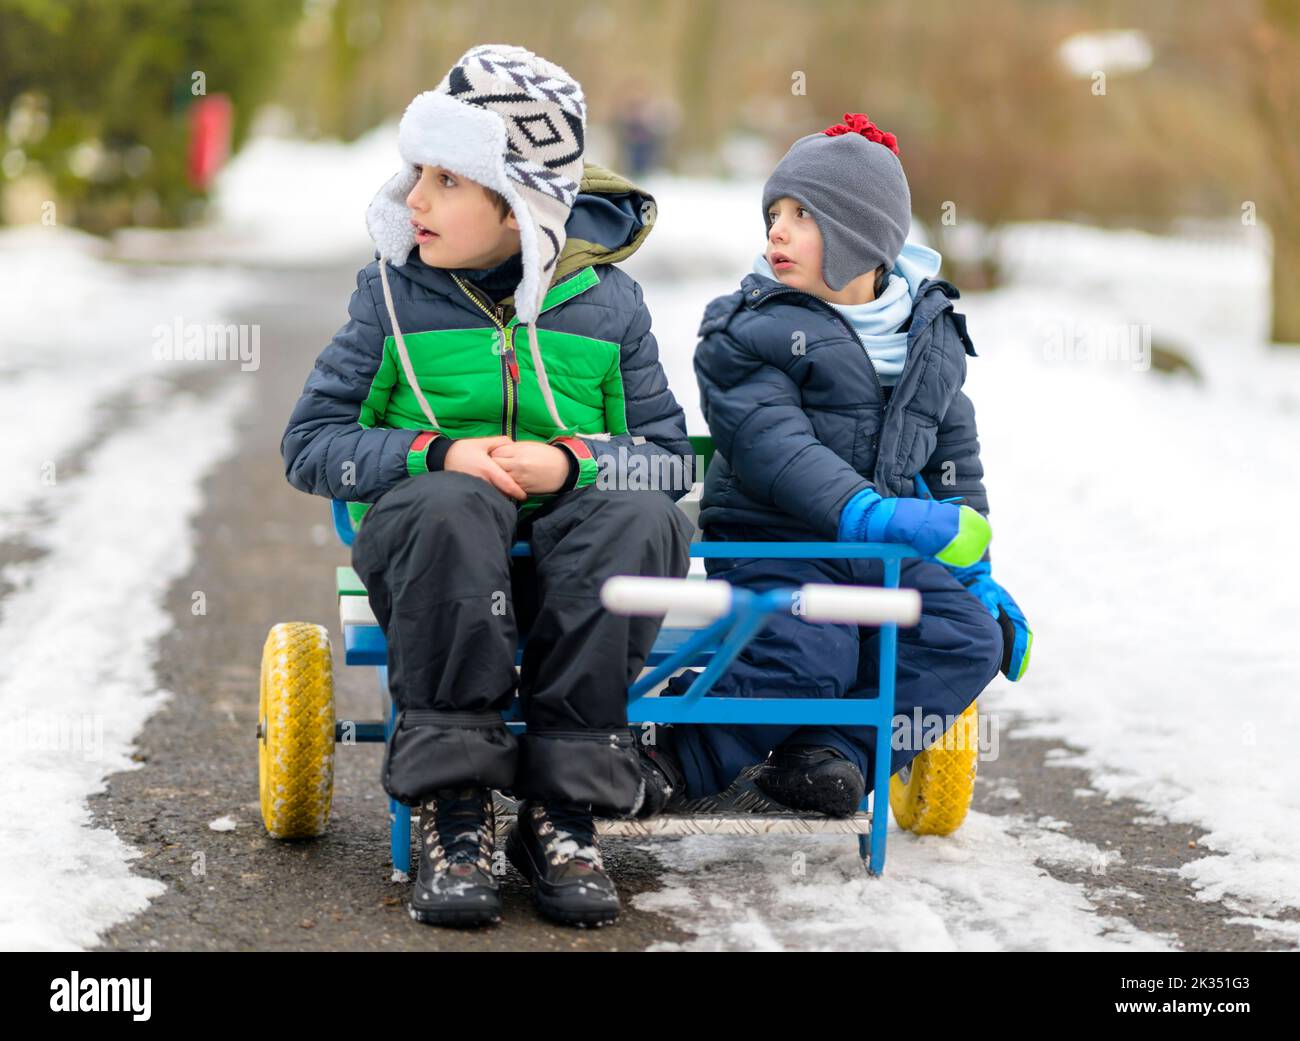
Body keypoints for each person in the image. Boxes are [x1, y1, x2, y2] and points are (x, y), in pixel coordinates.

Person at [280, 44, 694, 929]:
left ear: (519, 208)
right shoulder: (390, 296)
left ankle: (562, 809)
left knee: (636, 510)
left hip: (567, 562)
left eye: (444, 179)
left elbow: (668, 458)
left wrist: (573, 463)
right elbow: (311, 443)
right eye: (413, 172)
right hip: (440, 553)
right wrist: (433, 453)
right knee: (453, 500)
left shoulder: (606, 307)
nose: (412, 198)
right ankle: (455, 805)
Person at [635, 113, 1032, 820]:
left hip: (875, 548)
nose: (775, 233)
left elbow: (953, 465)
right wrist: (866, 512)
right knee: (811, 649)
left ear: (861, 238)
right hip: (776, 543)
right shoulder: (750, 328)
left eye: (802, 216)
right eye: (773, 215)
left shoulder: (926, 340)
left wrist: (975, 573)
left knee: (967, 636)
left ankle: (831, 749)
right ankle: (678, 753)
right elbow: (775, 444)